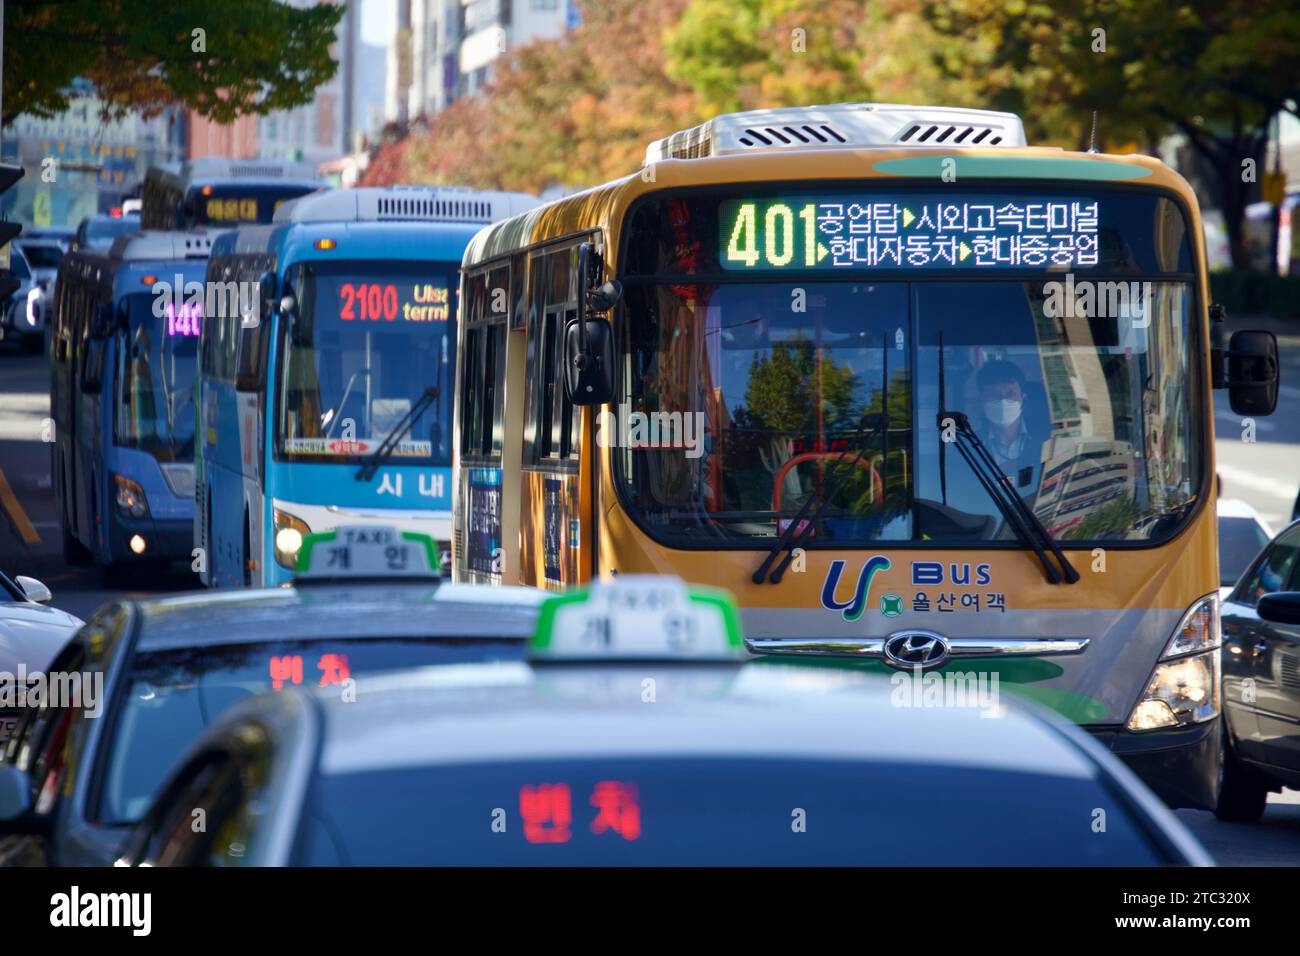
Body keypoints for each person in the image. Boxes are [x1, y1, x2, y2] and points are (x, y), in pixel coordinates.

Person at [973, 359, 1047, 496]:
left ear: (1023, 397)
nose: (1002, 400)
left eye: (1010, 394)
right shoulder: (970, 445)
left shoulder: (1047, 439)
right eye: (994, 395)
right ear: (981, 400)